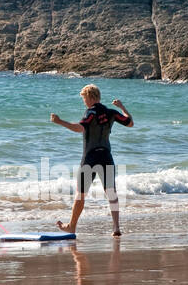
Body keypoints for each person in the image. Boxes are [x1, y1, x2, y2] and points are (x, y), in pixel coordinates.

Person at [50, 84, 133, 235]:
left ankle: (72, 227)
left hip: (90, 157)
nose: (84, 102)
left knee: (80, 193)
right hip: (106, 156)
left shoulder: (91, 112)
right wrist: (122, 107)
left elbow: (79, 128)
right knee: (111, 192)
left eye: (84, 98)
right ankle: (116, 227)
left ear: (90, 97)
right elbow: (130, 123)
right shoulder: (111, 112)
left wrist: (60, 121)